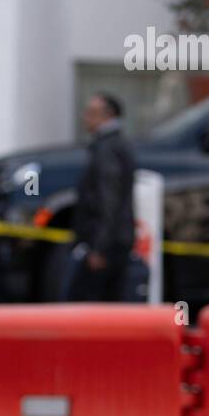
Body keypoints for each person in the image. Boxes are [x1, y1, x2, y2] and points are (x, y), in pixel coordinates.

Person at [63, 93, 135, 302]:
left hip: (103, 246)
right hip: (112, 242)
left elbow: (108, 199)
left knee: (86, 304)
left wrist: (100, 248)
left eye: (91, 113)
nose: (85, 117)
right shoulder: (116, 145)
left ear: (107, 116)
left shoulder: (106, 149)